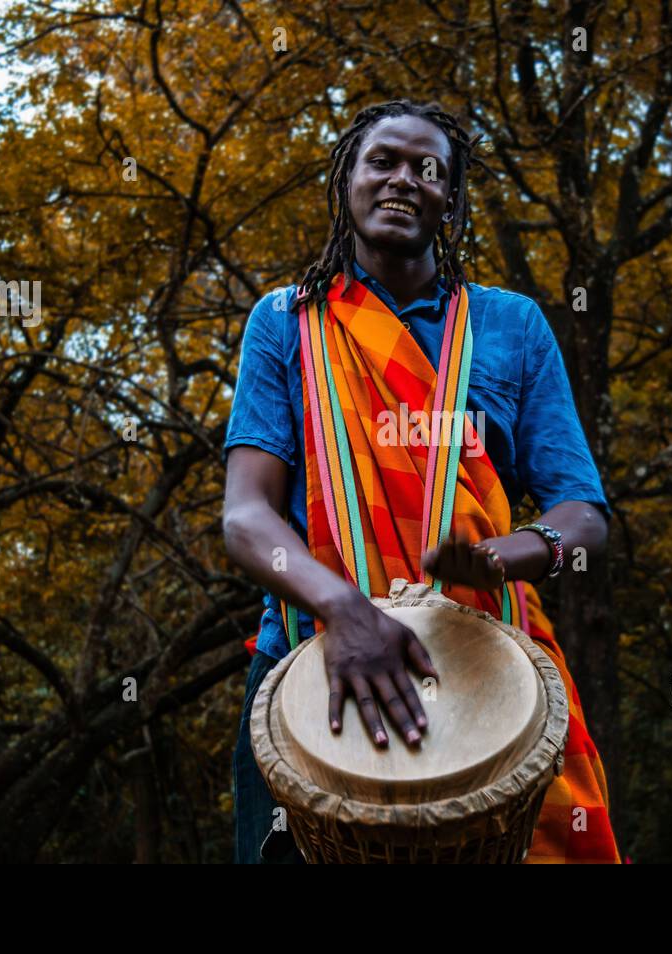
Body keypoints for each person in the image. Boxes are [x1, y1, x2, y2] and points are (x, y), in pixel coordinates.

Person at [222, 98, 621, 863]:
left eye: (428, 168)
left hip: (482, 669)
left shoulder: (511, 326)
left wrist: (508, 552)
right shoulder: (286, 322)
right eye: (382, 162)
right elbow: (246, 516)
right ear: (347, 180)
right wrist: (346, 610)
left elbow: (584, 515)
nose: (404, 179)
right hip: (311, 660)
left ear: (452, 199)